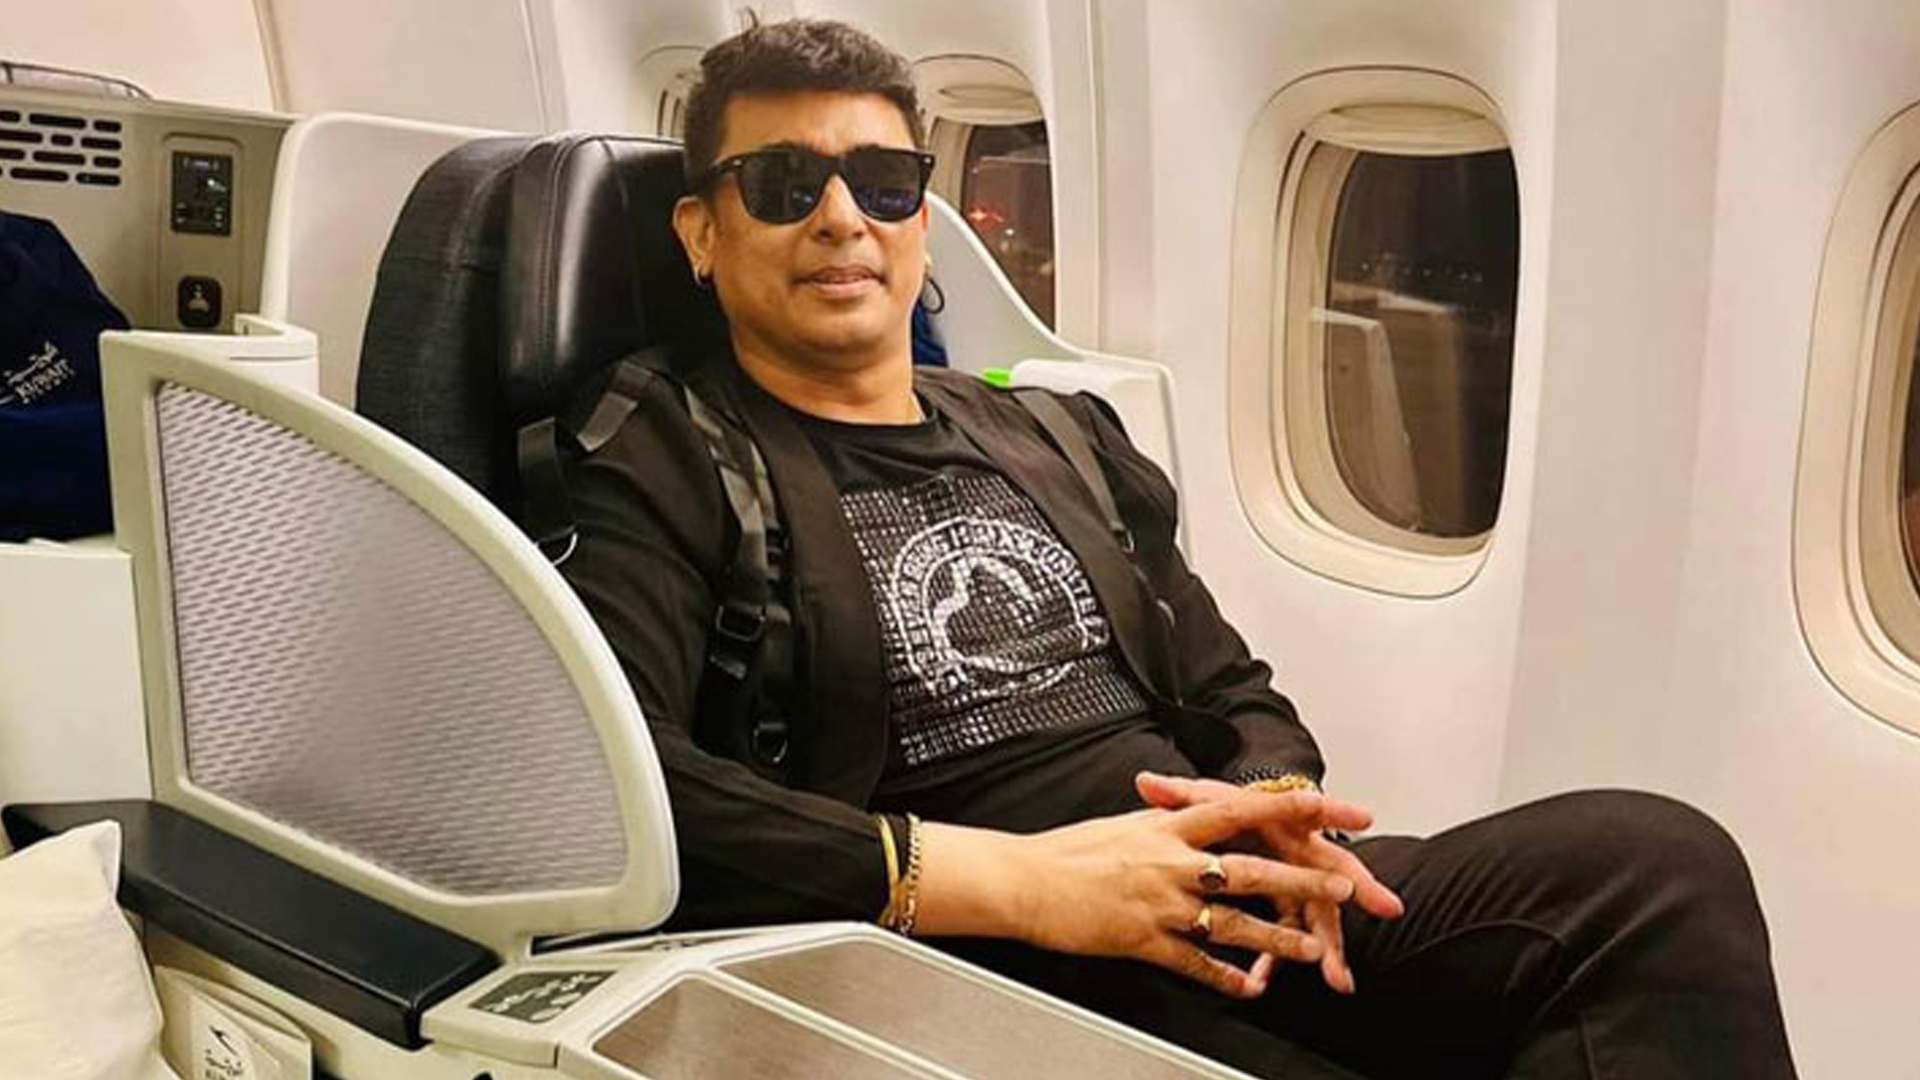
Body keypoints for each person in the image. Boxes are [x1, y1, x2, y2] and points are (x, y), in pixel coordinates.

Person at [559, 18, 1798, 1079]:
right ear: (701, 233)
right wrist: (1021, 885)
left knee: (1653, 871)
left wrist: (1269, 813)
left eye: (882, 182)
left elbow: (1234, 691)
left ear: (920, 222)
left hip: (1210, 891)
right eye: (784, 183)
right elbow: (629, 786)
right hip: (968, 950)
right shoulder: (661, 450)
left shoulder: (1055, 433)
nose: (843, 218)